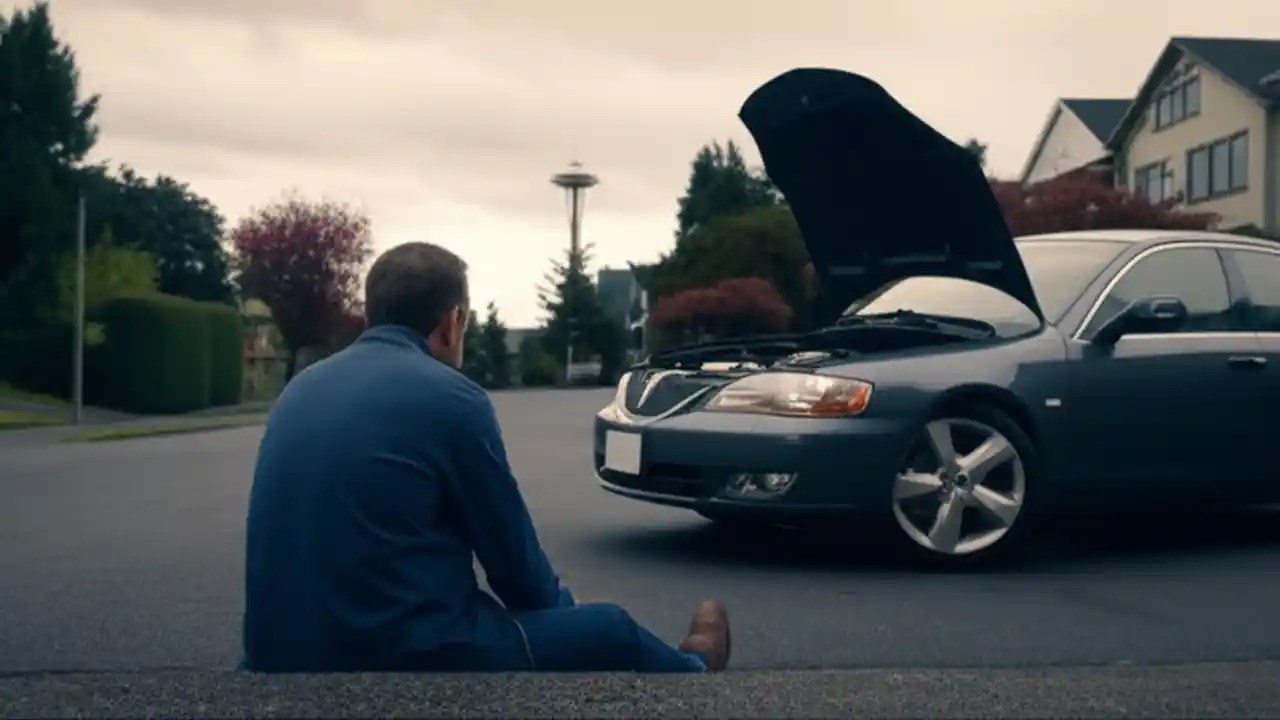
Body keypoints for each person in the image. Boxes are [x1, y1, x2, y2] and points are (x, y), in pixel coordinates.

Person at [241, 241, 730, 673]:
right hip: (400, 649)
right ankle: (694, 668)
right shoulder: (451, 397)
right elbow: (515, 568)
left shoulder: (300, 389)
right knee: (612, 629)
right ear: (452, 322)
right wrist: (566, 620)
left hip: (275, 649)